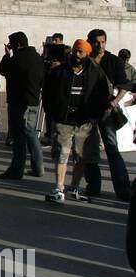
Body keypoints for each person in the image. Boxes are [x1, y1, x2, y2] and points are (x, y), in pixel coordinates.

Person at [42, 39, 108, 204]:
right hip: (63, 119)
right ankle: (59, 187)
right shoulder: (60, 71)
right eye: (75, 51)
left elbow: (102, 94)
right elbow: (47, 93)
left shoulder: (95, 72)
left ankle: (74, 188)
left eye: (81, 52)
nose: (77, 55)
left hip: (85, 121)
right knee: (61, 154)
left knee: (81, 156)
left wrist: (95, 116)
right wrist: (52, 113)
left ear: (87, 54)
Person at [86, 28, 132, 202]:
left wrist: (114, 101)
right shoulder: (85, 60)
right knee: (88, 150)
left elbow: (125, 85)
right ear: (90, 42)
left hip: (106, 111)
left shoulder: (113, 61)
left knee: (112, 150)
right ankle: (93, 186)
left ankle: (123, 189)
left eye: (103, 42)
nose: (100, 45)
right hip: (87, 112)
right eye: (97, 42)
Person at [0, 31, 44, 180]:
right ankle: (38, 167)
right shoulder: (37, 58)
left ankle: (16, 169)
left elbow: (3, 70)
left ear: (17, 44)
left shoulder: (17, 58)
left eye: (11, 44)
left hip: (18, 102)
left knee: (19, 137)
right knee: (31, 133)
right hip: (33, 101)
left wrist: (6, 55)